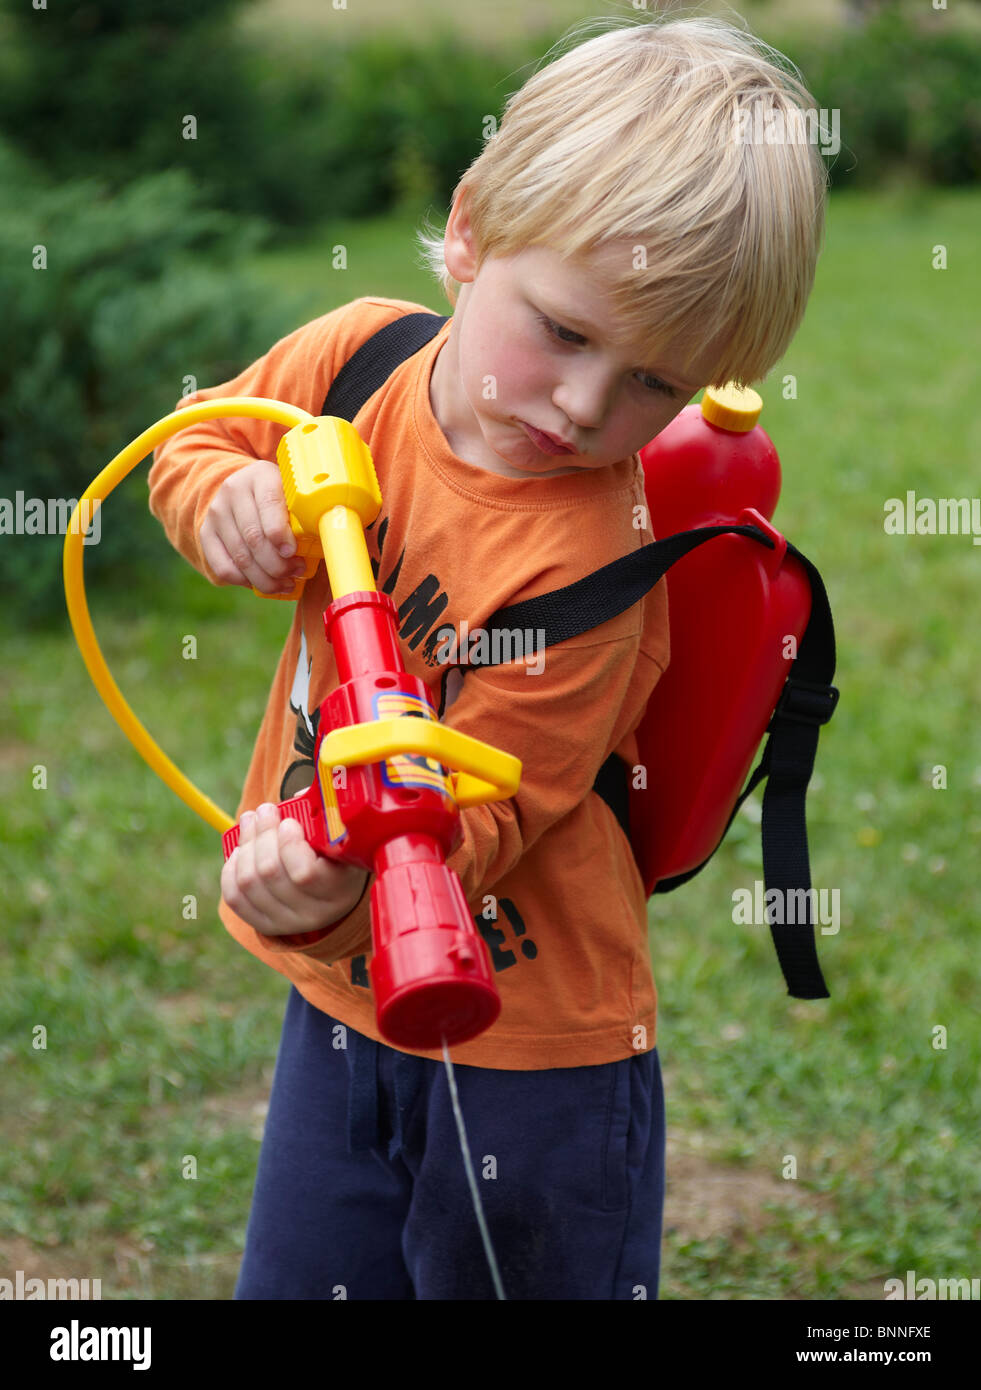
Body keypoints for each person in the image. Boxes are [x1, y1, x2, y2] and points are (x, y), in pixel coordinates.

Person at [148, 13, 827, 1300]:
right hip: (340, 1010)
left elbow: (483, 820)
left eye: (653, 385)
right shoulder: (358, 359)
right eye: (566, 334)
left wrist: (339, 892)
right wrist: (220, 502)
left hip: (535, 1055)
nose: (584, 408)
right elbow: (203, 440)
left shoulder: (592, 567)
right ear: (471, 230)